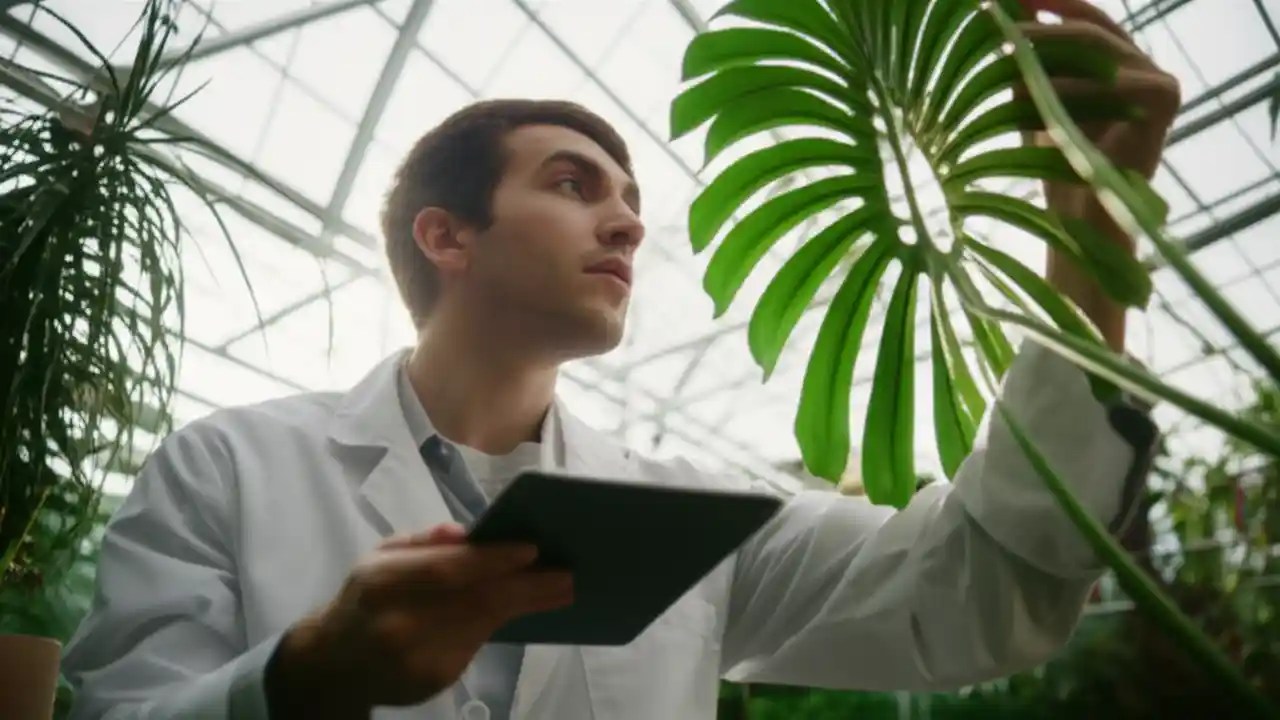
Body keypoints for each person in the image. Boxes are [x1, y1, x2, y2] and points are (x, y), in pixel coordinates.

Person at [62, 1, 1179, 718]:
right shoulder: (224, 468)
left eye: (632, 200)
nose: (630, 224)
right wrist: (302, 679)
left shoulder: (701, 521)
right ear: (444, 236)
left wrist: (1092, 213)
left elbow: (981, 593)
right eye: (570, 183)